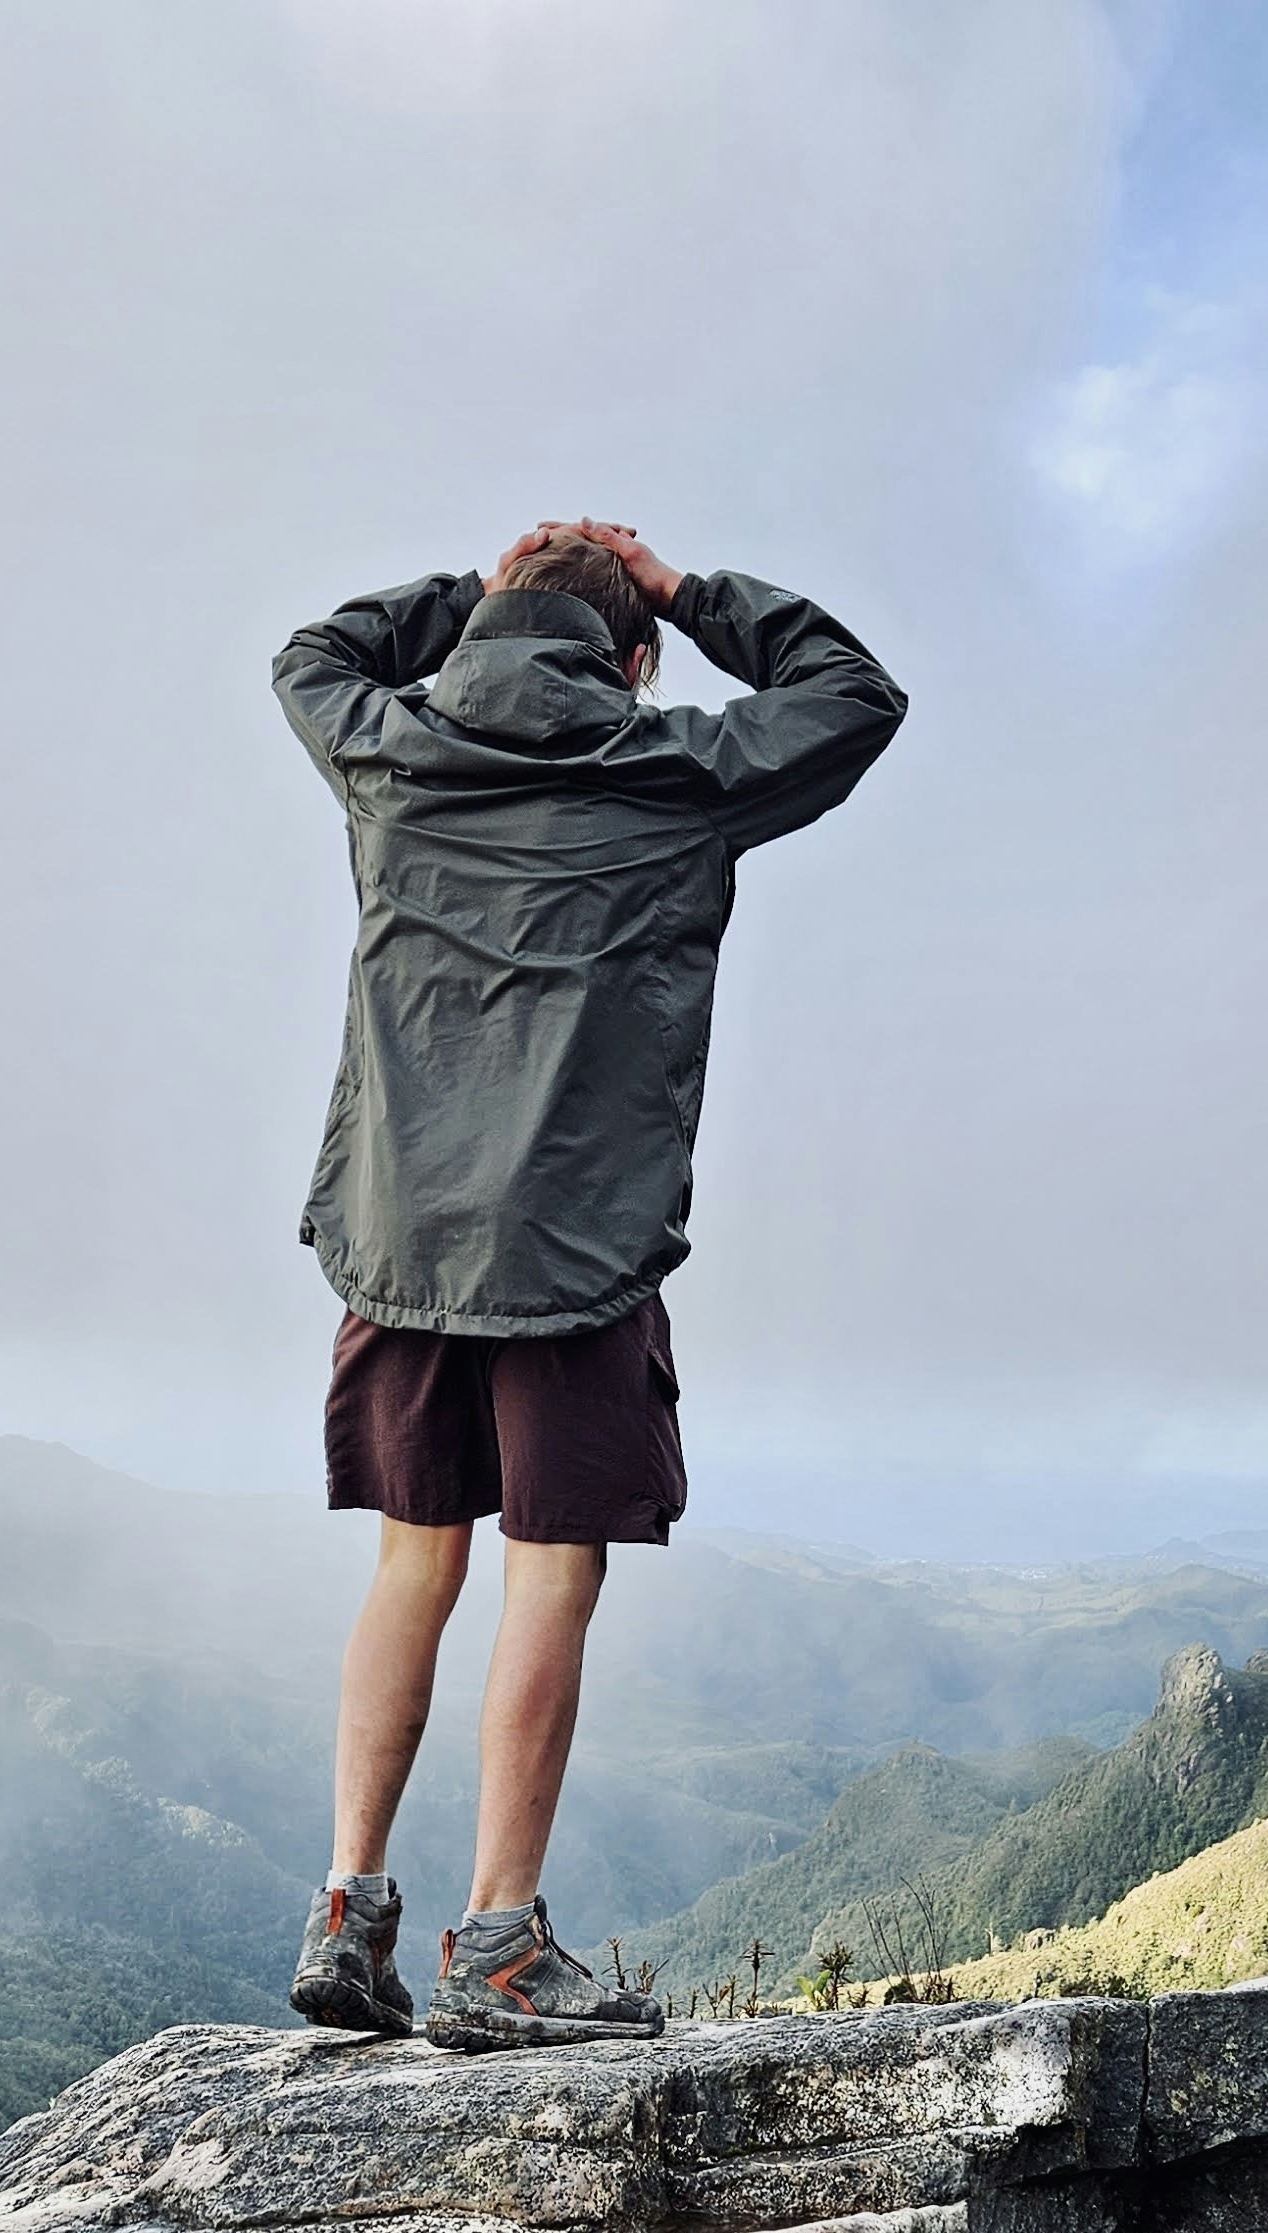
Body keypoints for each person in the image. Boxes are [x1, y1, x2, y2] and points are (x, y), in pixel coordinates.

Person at [271, 519, 906, 2049]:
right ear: (634, 661)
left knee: (412, 1567)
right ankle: (497, 1946)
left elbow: (314, 654)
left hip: (403, 1246)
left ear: (493, 627)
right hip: (577, 1255)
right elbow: (852, 693)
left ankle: (347, 1910)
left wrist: (468, 603)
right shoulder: (677, 773)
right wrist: (692, 594)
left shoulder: (393, 755)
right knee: (549, 1572)